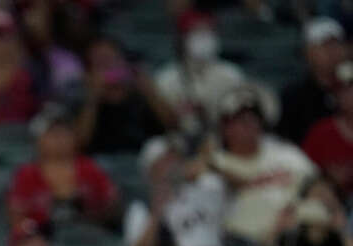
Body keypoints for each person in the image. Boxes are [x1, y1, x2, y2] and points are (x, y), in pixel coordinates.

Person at [210, 86, 317, 246]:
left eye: (253, 118)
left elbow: (318, 183)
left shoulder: (286, 153)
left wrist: (297, 209)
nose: (248, 125)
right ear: (225, 127)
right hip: (243, 244)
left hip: (298, 233)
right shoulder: (215, 162)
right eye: (239, 120)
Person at [123, 135, 227, 246]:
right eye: (166, 159)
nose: (173, 163)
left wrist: (201, 166)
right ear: (150, 169)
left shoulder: (205, 187)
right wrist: (156, 215)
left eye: (176, 157)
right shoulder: (141, 207)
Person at [6, 108, 120, 229]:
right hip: (41, 238)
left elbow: (111, 206)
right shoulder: (26, 174)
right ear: (39, 140)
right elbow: (17, 217)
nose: (60, 139)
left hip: (87, 236)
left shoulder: (90, 168)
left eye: (65, 133)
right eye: (54, 134)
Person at [154, 10, 255, 138]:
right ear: (183, 38)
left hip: (223, 139)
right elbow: (162, 122)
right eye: (197, 32)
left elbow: (240, 115)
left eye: (208, 32)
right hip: (177, 139)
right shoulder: (166, 78)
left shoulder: (231, 75)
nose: (203, 38)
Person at [74, 36, 175, 155]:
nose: (109, 68)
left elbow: (172, 125)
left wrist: (149, 92)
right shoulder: (81, 101)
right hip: (102, 163)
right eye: (101, 63)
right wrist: (93, 98)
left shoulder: (141, 94)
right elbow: (79, 143)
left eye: (112, 60)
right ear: (89, 73)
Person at [278, 18, 348, 146]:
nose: (333, 51)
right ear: (308, 52)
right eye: (325, 46)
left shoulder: (348, 90)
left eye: (336, 44)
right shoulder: (294, 95)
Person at [302, 60, 353, 200]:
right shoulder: (320, 132)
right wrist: (329, 178)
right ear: (336, 96)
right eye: (345, 90)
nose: (351, 96)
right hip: (330, 204)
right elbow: (304, 176)